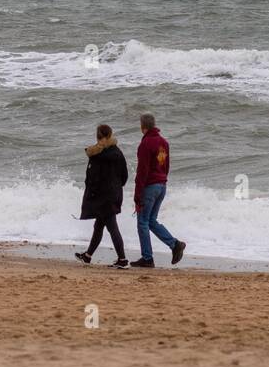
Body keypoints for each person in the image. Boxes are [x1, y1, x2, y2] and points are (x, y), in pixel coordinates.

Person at [131, 112, 186, 269]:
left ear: (143, 126)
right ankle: (175, 244)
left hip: (150, 187)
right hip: (162, 185)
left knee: (142, 222)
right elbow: (166, 165)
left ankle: (147, 258)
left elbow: (142, 171)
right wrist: (162, 180)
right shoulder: (163, 142)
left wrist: (137, 196)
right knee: (151, 221)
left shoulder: (145, 144)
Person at [75, 124, 129, 268]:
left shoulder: (97, 155)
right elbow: (125, 176)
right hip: (115, 194)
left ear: (98, 137)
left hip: (103, 198)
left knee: (112, 228)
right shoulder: (118, 152)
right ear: (110, 135)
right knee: (98, 226)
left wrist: (91, 194)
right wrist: (116, 188)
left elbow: (93, 178)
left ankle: (122, 259)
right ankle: (87, 256)